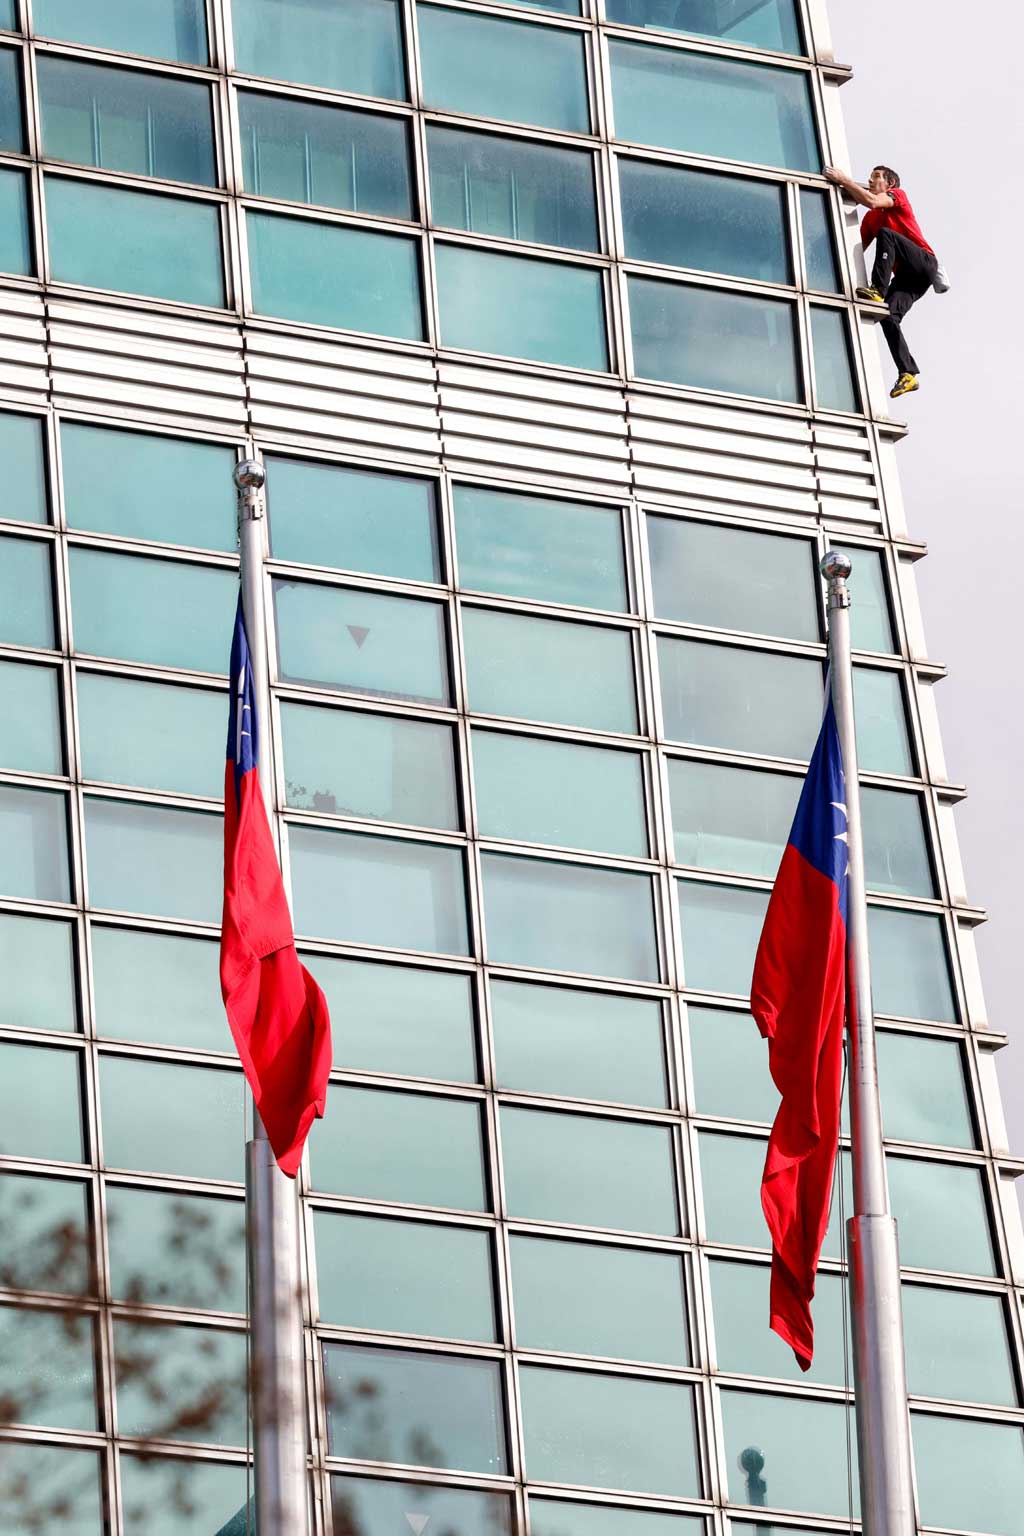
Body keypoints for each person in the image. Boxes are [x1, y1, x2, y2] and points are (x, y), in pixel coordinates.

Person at [824, 164, 938, 400]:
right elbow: (856, 250)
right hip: (908, 279)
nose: (871, 180)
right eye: (871, 177)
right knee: (888, 317)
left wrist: (845, 181)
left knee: (887, 235)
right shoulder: (871, 219)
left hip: (924, 263)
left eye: (876, 177)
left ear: (890, 185)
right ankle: (908, 373)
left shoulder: (899, 196)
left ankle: (877, 289)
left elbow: (873, 201)